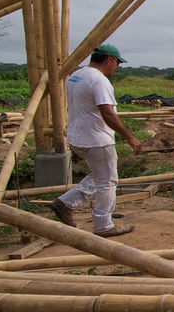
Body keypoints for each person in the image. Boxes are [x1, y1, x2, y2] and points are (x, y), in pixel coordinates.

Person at [50, 43, 142, 238]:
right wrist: (130, 137)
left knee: (99, 176)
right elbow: (107, 112)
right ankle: (103, 225)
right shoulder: (99, 80)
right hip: (96, 139)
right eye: (116, 63)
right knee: (108, 181)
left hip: (78, 137)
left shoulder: (76, 76)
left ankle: (65, 203)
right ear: (109, 60)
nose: (116, 68)